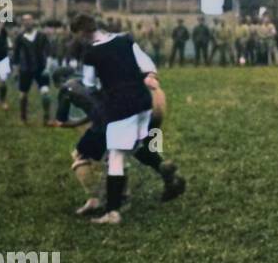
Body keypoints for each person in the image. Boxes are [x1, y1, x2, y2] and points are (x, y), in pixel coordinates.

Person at [71, 12, 185, 225]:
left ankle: (113, 212)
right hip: (144, 103)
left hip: (121, 107)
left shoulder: (90, 54)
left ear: (82, 32)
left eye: (77, 35)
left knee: (115, 157)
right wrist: (150, 76)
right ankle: (160, 167)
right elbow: (147, 63)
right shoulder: (125, 39)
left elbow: (89, 85)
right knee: (132, 146)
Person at [12, 12, 53, 125]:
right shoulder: (20, 37)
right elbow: (15, 55)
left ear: (33, 22)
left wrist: (47, 68)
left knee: (45, 93)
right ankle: (23, 117)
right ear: (22, 23)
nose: (27, 22)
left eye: (29, 20)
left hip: (41, 69)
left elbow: (49, 52)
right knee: (23, 94)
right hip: (26, 70)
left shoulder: (41, 36)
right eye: (25, 20)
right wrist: (15, 71)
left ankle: (46, 118)